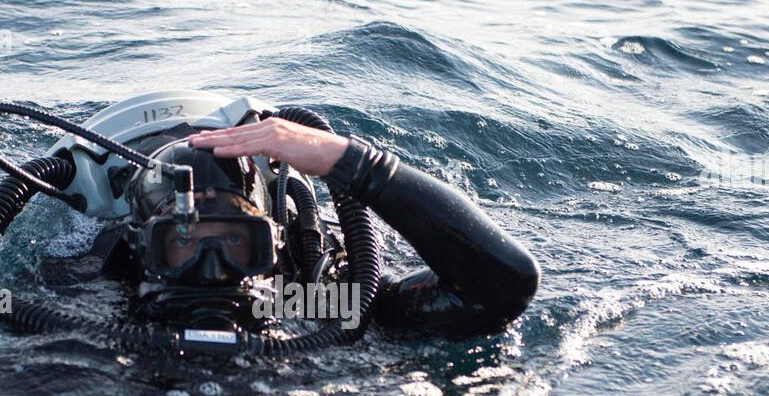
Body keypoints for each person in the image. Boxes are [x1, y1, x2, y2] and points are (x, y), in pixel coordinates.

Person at [87, 115, 541, 340]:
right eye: (182, 242)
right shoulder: (87, 300)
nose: (213, 270)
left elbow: (504, 285)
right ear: (142, 248)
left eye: (237, 242)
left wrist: (353, 163)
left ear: (273, 241)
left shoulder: (312, 298)